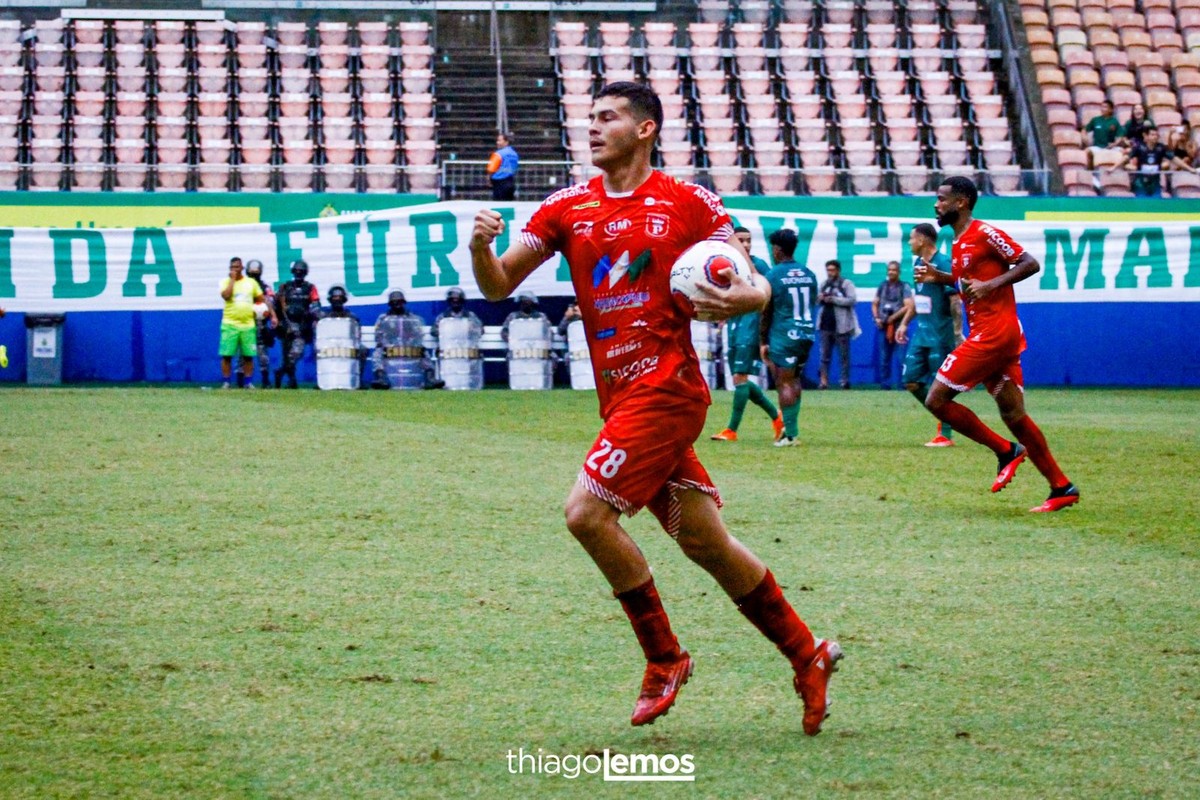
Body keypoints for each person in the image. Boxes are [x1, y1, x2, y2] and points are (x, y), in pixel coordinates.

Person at [469, 81, 841, 735]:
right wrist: (478, 247)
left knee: (585, 514)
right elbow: (498, 285)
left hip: (667, 392)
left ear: (644, 130)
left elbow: (751, 279)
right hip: (622, 400)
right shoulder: (566, 208)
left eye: (607, 117)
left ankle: (664, 658)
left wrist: (746, 299)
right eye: (590, 118)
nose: (592, 128)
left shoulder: (688, 202)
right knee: (706, 541)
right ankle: (807, 655)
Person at [915, 175, 1080, 513]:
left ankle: (1006, 451)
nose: (937, 204)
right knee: (1014, 415)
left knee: (936, 399)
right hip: (992, 333)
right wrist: (942, 278)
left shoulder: (984, 233)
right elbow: (972, 285)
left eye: (942, 198)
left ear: (961, 202)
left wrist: (991, 285)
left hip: (994, 334)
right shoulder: (959, 243)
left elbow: (1029, 263)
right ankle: (1062, 487)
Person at [710, 226, 781, 444]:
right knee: (738, 379)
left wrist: (764, 331)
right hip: (734, 326)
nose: (747, 245)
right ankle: (777, 418)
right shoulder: (726, 264)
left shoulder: (758, 266)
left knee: (740, 378)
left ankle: (732, 430)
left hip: (750, 328)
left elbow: (769, 297)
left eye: (749, 240)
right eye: (742, 240)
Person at [898, 223, 962, 447]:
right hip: (921, 333)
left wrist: (957, 332)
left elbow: (955, 300)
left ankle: (945, 433)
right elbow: (920, 298)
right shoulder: (917, 263)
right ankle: (947, 417)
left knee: (940, 385)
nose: (909, 242)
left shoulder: (943, 263)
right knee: (911, 381)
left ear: (923, 240)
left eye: (911, 238)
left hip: (940, 333)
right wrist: (904, 323)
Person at [755, 227, 818, 447]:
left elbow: (766, 311)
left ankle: (790, 434)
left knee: (783, 382)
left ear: (777, 249)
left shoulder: (773, 275)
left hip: (784, 334)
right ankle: (791, 430)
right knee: (794, 379)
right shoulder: (808, 273)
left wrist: (763, 341)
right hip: (807, 332)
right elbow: (812, 302)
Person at [371, 289, 444, 390]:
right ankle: (381, 378)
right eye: (394, 302)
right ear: (390, 304)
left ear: (404, 303)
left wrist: (411, 338)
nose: (397, 305)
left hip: (408, 345)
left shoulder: (411, 317)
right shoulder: (383, 318)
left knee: (424, 352)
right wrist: (388, 341)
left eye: (400, 302)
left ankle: (430, 378)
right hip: (390, 346)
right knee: (377, 353)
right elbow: (378, 335)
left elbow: (418, 333)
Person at [1108, 127, 1197, 198]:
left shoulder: (1161, 148)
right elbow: (1126, 158)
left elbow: (1175, 159)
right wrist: (1113, 167)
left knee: (1156, 206)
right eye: (1152, 134)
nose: (1155, 137)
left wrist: (1190, 169)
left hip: (1155, 184)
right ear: (1145, 136)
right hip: (1141, 183)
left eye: (1156, 135)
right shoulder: (1139, 147)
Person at [218, 256, 264, 389]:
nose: (235, 270)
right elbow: (226, 296)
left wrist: (270, 315)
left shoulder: (251, 283)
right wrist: (232, 280)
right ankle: (226, 382)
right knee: (227, 355)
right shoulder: (225, 282)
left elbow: (261, 299)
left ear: (242, 268)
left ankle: (248, 382)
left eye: (237, 267)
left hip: (247, 324)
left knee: (248, 356)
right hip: (229, 323)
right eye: (232, 267)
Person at [274, 260, 320, 388]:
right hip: (286, 325)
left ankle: (280, 372)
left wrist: (316, 317)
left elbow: (315, 305)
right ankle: (291, 381)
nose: (299, 273)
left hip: (302, 326)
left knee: (295, 353)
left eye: (301, 271)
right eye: (297, 271)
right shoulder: (285, 287)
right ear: (293, 272)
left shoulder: (310, 288)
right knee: (286, 354)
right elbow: (276, 305)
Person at [871, 260, 914, 390]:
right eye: (889, 270)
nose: (891, 272)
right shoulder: (882, 286)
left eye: (894, 270)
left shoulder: (904, 287)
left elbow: (908, 306)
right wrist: (877, 318)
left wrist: (893, 318)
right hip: (883, 327)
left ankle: (902, 385)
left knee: (901, 358)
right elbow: (875, 303)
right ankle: (885, 385)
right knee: (884, 358)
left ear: (899, 272)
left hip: (899, 327)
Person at [816, 259, 857, 389]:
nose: (830, 273)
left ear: (838, 270)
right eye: (828, 270)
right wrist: (821, 298)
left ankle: (844, 381)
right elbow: (816, 301)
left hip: (842, 326)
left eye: (832, 270)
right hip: (825, 324)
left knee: (844, 356)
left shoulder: (846, 284)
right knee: (824, 356)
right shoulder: (824, 284)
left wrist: (834, 299)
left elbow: (852, 300)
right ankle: (823, 382)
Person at [243, 259, 277, 389]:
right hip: (245, 322)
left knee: (262, 353)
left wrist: (266, 311)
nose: (254, 276)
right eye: (252, 274)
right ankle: (242, 380)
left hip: (261, 323)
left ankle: (265, 380)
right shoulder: (242, 286)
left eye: (256, 274)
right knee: (244, 354)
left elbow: (270, 301)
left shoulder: (265, 288)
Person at [1082, 100, 1122, 169]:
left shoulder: (1115, 121)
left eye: (1105, 107)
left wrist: (1114, 144)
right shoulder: (1095, 120)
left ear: (1110, 109)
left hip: (1110, 147)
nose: (1102, 109)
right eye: (1102, 107)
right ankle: (1091, 172)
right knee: (1087, 152)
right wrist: (1084, 137)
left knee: (1124, 152)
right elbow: (1084, 130)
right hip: (1097, 147)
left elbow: (1120, 136)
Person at [488, 132, 519, 201]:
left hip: (499, 183)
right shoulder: (514, 154)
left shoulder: (498, 154)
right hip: (510, 180)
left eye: (499, 140)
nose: (497, 142)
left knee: (499, 205)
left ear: (506, 142)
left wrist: (489, 179)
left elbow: (491, 169)